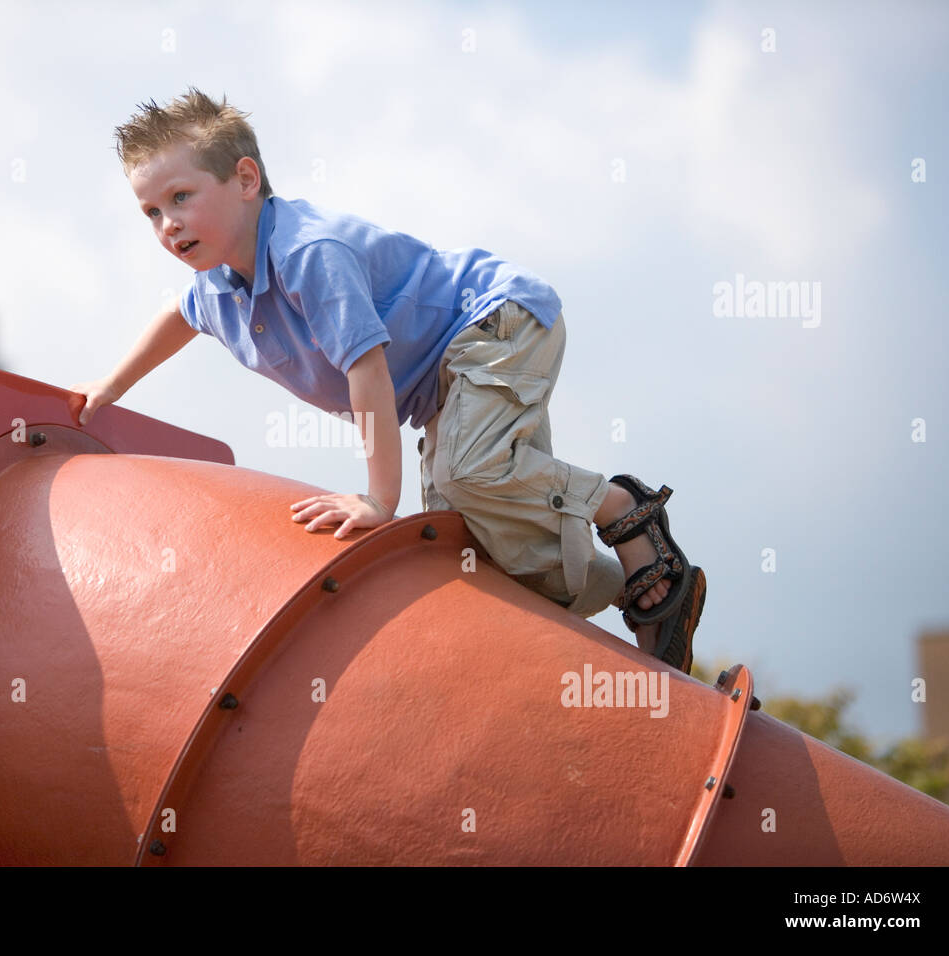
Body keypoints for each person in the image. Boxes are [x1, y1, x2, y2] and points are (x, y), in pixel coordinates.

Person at [72, 88, 705, 672]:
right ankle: (646, 592)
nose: (168, 224)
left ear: (245, 179)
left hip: (492, 322)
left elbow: (366, 371)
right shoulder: (217, 290)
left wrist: (379, 501)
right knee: (478, 544)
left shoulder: (306, 254)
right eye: (151, 211)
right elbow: (177, 317)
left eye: (181, 198)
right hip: (444, 385)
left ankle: (622, 508)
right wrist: (111, 387)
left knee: (467, 472)